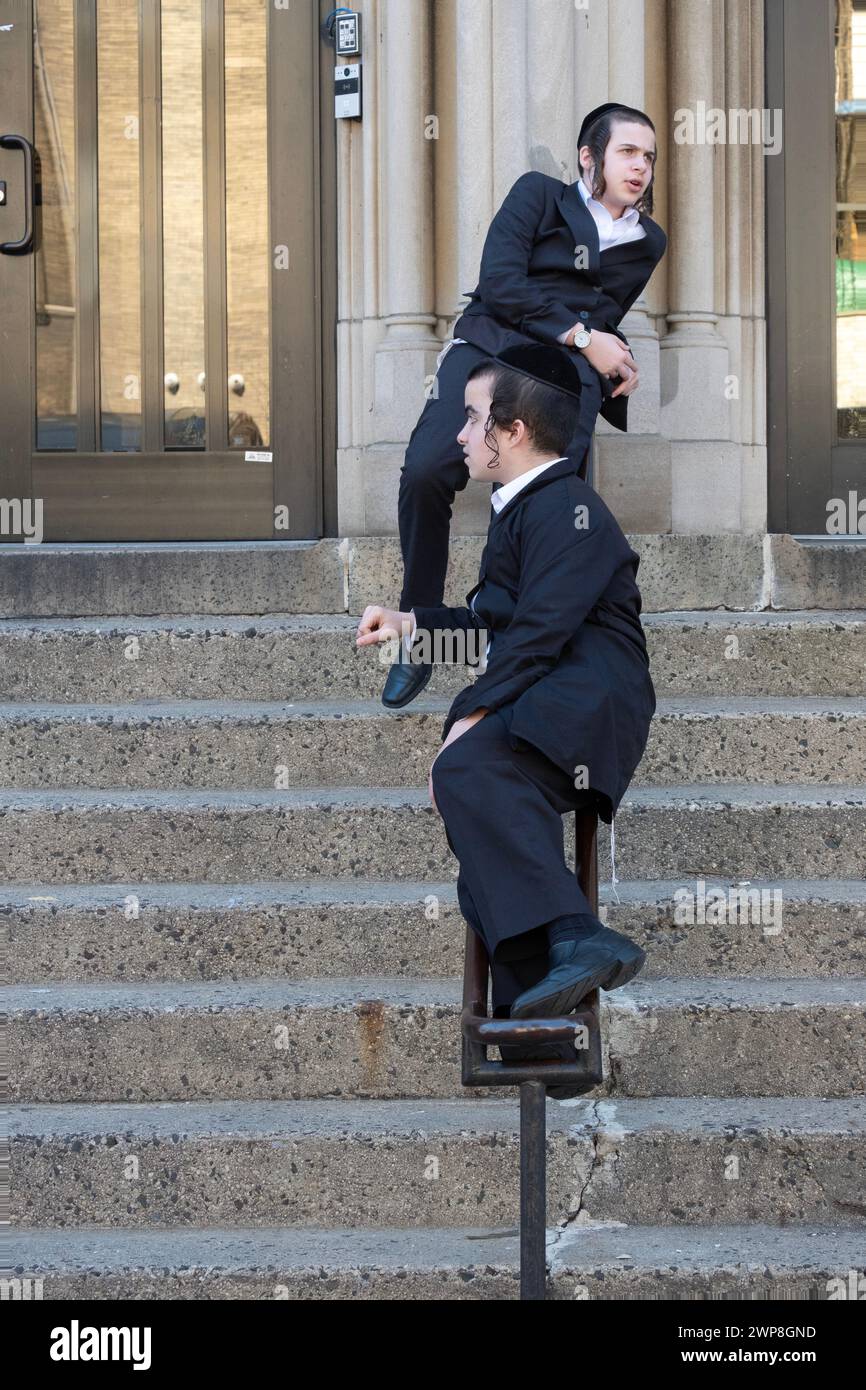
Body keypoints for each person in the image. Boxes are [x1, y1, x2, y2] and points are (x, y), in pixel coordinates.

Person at [357, 343, 655, 1098]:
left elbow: (539, 632)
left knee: (465, 767)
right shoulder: (525, 508)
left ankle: (575, 943)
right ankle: (537, 1002)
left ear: (513, 430)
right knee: (474, 791)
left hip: (587, 700)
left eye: (471, 418)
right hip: (548, 693)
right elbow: (494, 621)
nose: (459, 437)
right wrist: (411, 623)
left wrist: (467, 716)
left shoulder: (570, 507)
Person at [381, 100, 668, 711]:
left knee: (546, 513)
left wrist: (617, 356)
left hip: (562, 380)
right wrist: (586, 338)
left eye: (648, 156)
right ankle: (420, 636)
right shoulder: (539, 195)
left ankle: (521, 649)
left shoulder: (648, 241)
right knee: (428, 472)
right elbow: (502, 285)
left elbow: (604, 314)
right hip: (489, 347)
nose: (640, 166)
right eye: (627, 152)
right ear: (589, 157)